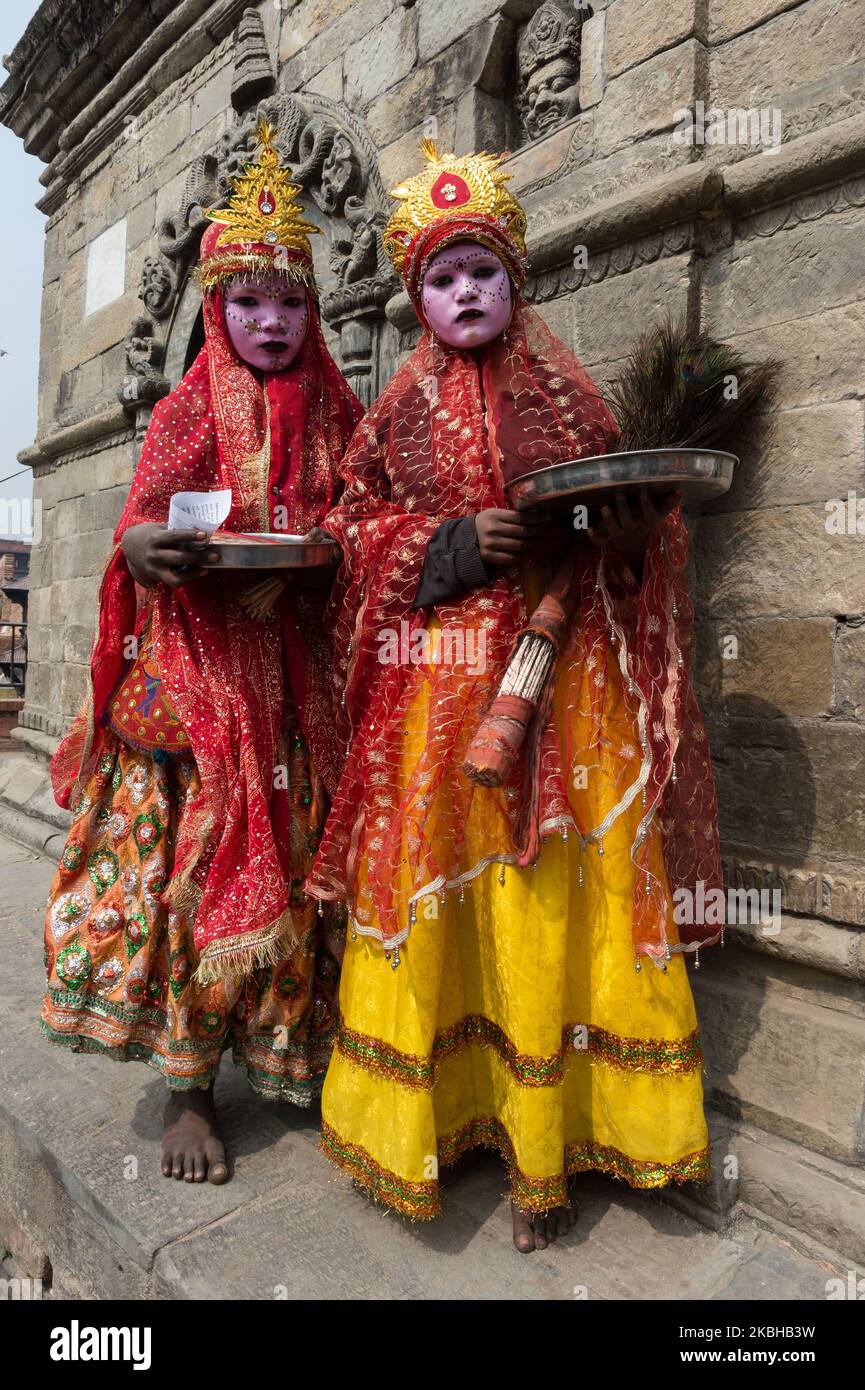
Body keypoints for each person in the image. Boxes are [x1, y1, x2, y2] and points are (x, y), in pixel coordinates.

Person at [306, 140, 723, 1252]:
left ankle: (553, 1142)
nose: (465, 293)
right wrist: (449, 542)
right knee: (441, 888)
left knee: (550, 888)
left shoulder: (571, 396)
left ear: (516, 279)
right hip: (436, 697)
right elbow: (347, 540)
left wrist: (635, 545)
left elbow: (632, 525)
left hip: (568, 685)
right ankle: (443, 1121)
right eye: (442, 280)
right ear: (415, 300)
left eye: (482, 271)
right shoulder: (393, 409)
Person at [42, 122, 362, 1184]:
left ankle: (287, 1061)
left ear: (314, 314)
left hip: (298, 690)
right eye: (246, 303)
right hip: (195, 692)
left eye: (291, 303)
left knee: (302, 882)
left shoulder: (338, 408)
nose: (270, 322)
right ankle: (188, 1091)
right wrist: (142, 544)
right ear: (215, 313)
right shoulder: (184, 411)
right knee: (191, 879)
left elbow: (368, 511)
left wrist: (331, 548)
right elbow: (134, 531)